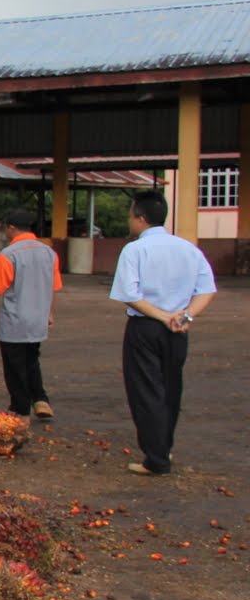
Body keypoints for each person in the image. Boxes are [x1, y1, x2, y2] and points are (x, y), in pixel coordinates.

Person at [110, 191, 216, 476]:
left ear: (141, 218)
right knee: (170, 387)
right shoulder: (188, 249)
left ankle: (156, 459)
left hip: (146, 326)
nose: (130, 220)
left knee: (146, 390)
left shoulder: (134, 250)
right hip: (178, 327)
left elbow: (129, 294)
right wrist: (186, 315)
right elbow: (207, 289)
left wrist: (161, 315)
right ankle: (164, 446)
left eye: (131, 215)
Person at [0, 208, 62, 419]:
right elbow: (53, 287)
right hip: (38, 317)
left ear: (12, 228)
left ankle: (20, 407)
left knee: (14, 364)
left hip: (16, 319)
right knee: (32, 359)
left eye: (5, 229)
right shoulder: (49, 253)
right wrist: (50, 313)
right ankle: (40, 399)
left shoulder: (9, 255)